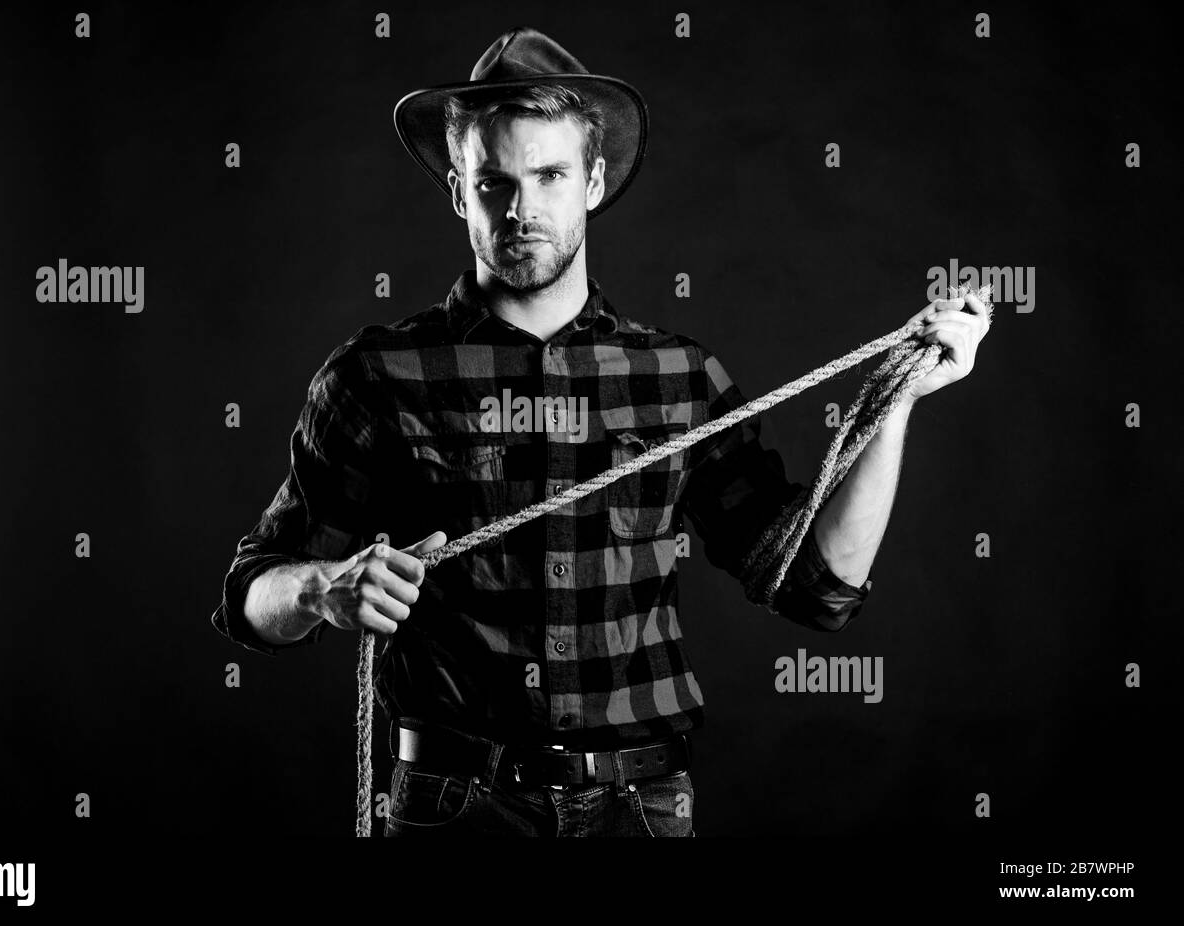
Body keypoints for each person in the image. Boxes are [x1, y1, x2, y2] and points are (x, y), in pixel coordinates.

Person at [209, 27, 989, 837]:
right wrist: (319, 591)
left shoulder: (677, 378)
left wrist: (898, 402)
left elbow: (818, 589)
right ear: (457, 192)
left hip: (639, 810)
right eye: (493, 183)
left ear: (594, 181)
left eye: (549, 175)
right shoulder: (373, 376)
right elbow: (247, 594)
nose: (522, 209)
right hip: (456, 807)